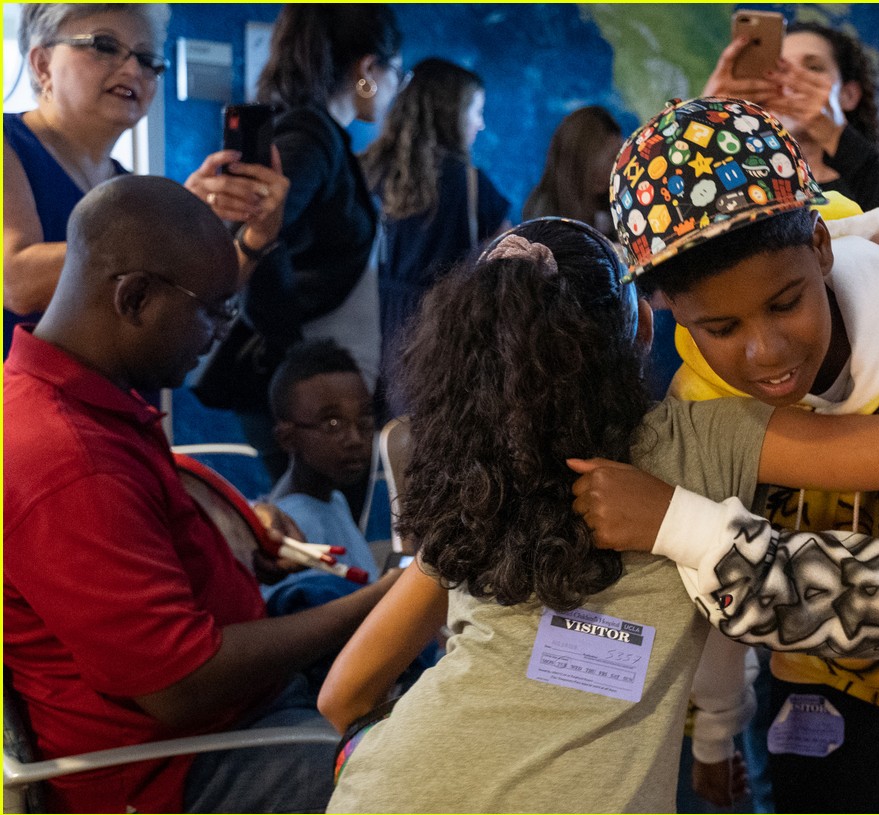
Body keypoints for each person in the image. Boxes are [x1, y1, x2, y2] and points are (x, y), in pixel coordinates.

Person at [322, 201, 879, 812]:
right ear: (647, 323)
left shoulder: (477, 492)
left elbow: (342, 696)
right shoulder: (703, 440)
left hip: (387, 789)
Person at [587, 96, 879, 812]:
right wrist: (713, 734)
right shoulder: (695, 403)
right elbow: (701, 607)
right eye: (721, 325)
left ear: (822, 247)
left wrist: (681, 525)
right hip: (819, 659)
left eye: (785, 303)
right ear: (672, 310)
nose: (766, 352)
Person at [3, 175, 399, 814]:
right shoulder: (65, 459)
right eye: (212, 310)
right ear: (134, 298)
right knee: (419, 774)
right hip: (181, 766)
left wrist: (230, 540)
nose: (219, 332)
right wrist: (382, 602)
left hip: (220, 720)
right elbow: (181, 684)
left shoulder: (83, 402)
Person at [4, 3, 286, 356]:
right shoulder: (8, 145)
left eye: (148, 60)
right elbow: (16, 281)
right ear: (42, 64)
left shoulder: (129, 188)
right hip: (31, 404)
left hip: (124, 406)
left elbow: (200, 306)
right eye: (104, 45)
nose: (132, 68)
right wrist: (167, 223)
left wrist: (255, 237)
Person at [197, 4, 403, 483]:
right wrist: (297, 356)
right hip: (311, 399)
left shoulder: (320, 134)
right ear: (368, 70)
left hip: (317, 391)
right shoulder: (311, 137)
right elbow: (259, 235)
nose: (396, 87)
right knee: (319, 540)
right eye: (396, 71)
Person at [361, 57, 510, 386]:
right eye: (475, 111)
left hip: (371, 323)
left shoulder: (369, 170)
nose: (480, 124)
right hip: (446, 328)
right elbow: (511, 250)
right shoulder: (470, 183)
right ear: (451, 113)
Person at [703, 20, 879, 226]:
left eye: (812, 68)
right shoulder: (735, 180)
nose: (790, 83)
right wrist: (704, 117)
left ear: (848, 95)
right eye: (778, 70)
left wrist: (835, 134)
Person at [264, 338, 382, 617]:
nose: (355, 439)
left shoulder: (333, 499)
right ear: (287, 437)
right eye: (332, 424)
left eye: (364, 421)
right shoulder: (294, 528)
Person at [522, 105, 623, 237]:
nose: (617, 168)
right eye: (612, 158)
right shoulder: (545, 222)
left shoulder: (612, 199)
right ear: (578, 164)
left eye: (619, 157)